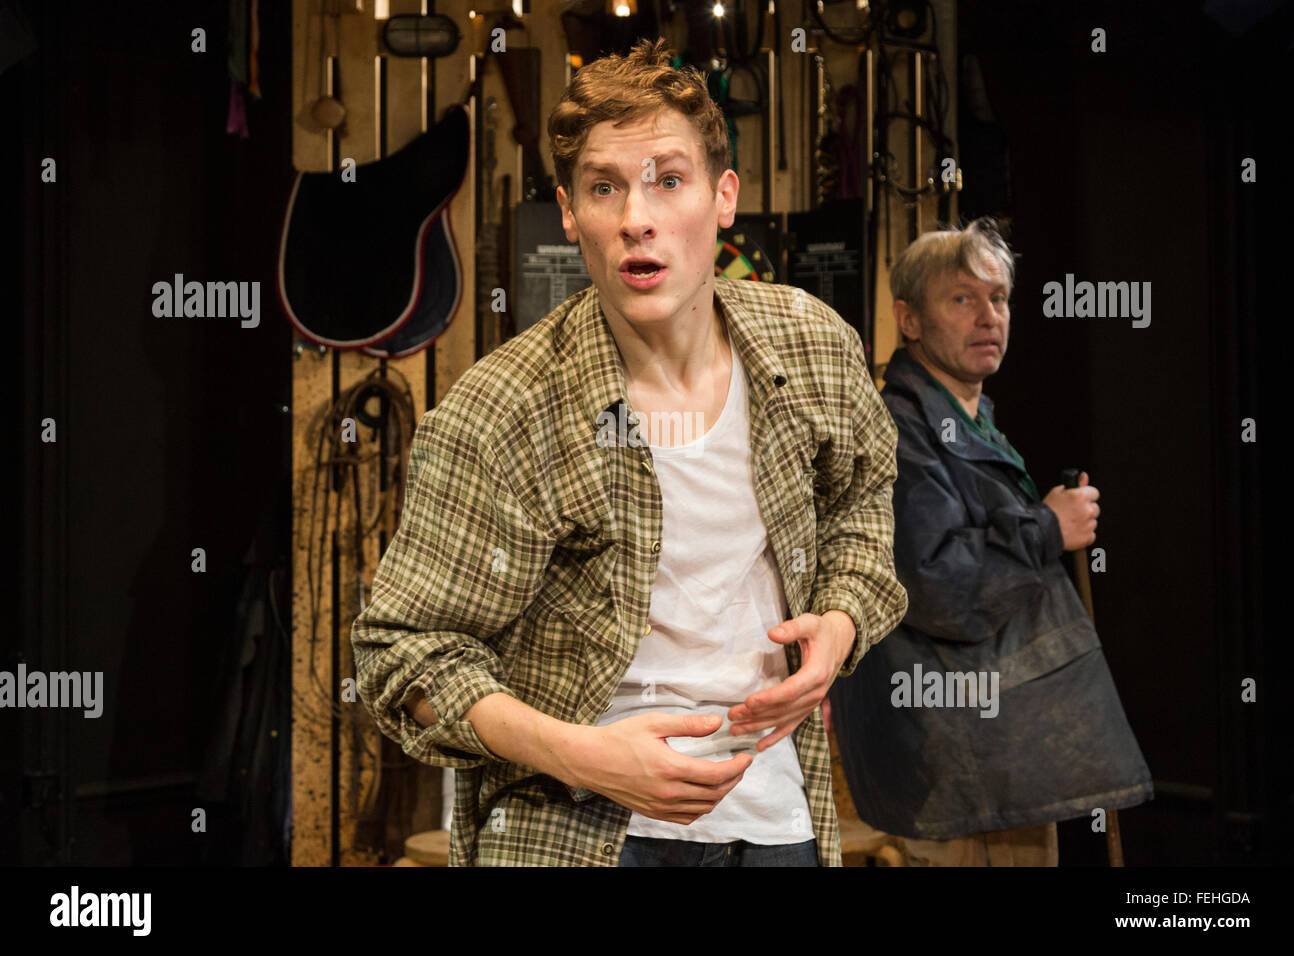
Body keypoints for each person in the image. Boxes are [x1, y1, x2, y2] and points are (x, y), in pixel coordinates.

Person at [350, 38, 908, 867]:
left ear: (724, 198)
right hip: (575, 835)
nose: (636, 216)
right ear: (572, 212)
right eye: (604, 188)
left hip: (776, 820)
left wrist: (837, 624)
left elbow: (863, 505)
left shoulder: (813, 347)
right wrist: (580, 755)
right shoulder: (503, 409)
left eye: (667, 180)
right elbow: (401, 657)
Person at [828, 217, 1153, 865]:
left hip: (1003, 756)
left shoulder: (969, 415)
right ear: (909, 319)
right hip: (956, 769)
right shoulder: (904, 430)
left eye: (998, 297)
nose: (988, 316)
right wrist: (1047, 529)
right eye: (961, 298)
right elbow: (940, 587)